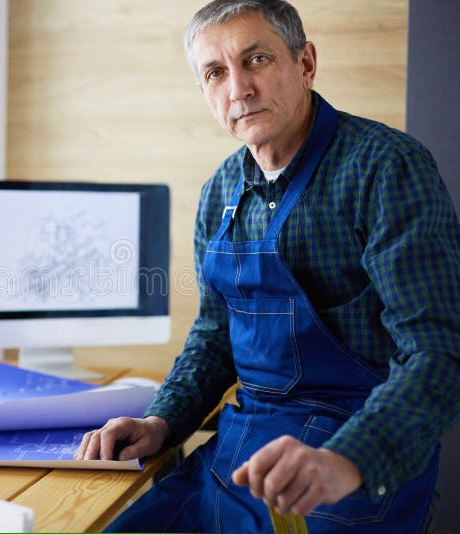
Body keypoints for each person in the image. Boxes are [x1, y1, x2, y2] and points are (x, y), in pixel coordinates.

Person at [75, 0, 460, 531]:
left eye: (256, 60)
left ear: (305, 64)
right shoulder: (218, 195)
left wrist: (347, 461)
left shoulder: (386, 169)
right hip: (238, 455)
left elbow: (437, 355)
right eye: (215, 73)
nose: (238, 88)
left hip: (349, 466)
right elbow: (214, 336)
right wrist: (161, 420)